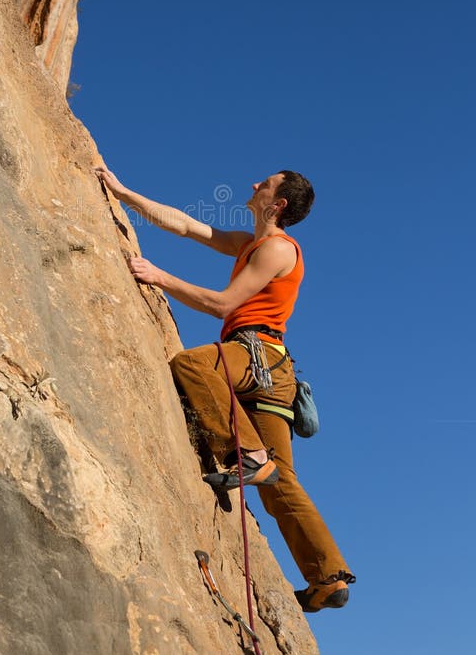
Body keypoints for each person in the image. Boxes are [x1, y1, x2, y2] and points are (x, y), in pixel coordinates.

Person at [94, 167, 355, 613]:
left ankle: (248, 454)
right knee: (279, 480)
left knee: (193, 365)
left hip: (256, 355)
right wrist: (123, 193)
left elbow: (222, 304)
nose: (254, 185)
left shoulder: (277, 249)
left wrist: (159, 277)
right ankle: (328, 577)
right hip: (272, 371)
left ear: (278, 204)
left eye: (265, 184)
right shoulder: (249, 244)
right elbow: (186, 225)